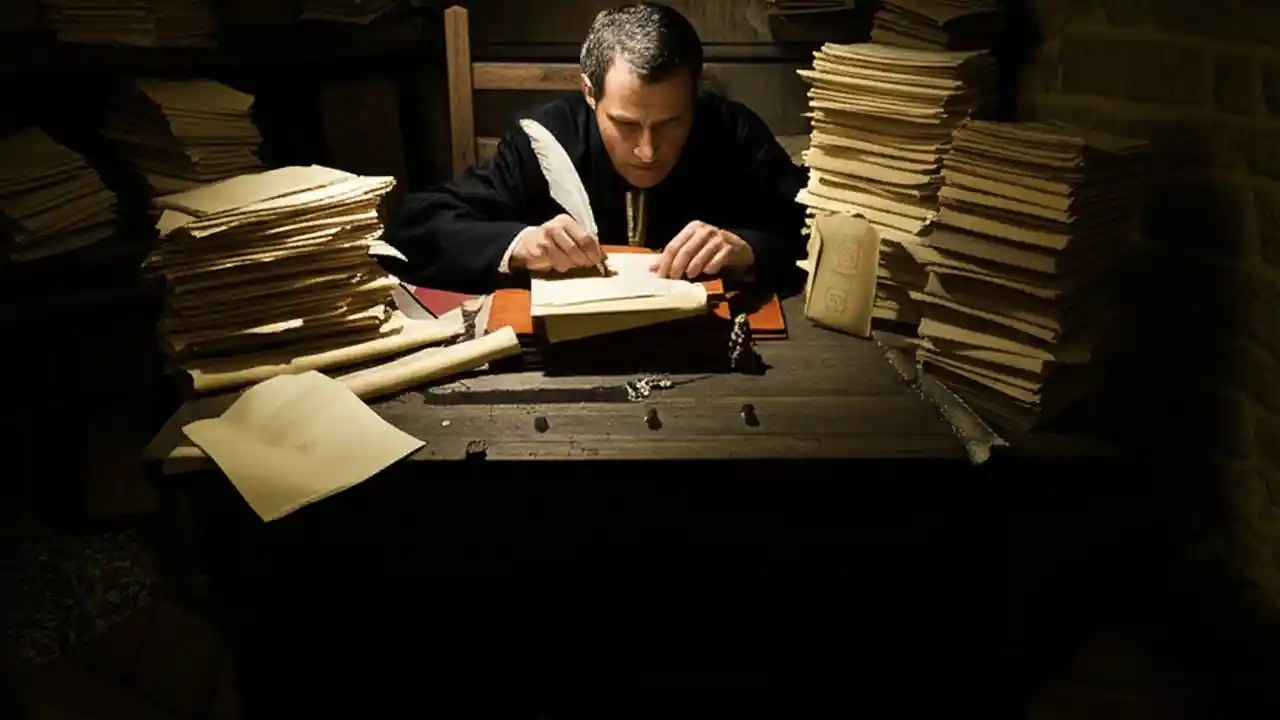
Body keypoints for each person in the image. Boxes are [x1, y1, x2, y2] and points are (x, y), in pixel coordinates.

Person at [382, 1, 808, 294]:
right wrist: (519, 245)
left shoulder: (732, 133)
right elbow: (414, 230)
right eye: (626, 124)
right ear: (590, 92)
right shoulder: (544, 138)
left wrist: (748, 250)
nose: (647, 151)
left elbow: (818, 233)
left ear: (696, 92)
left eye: (671, 122)